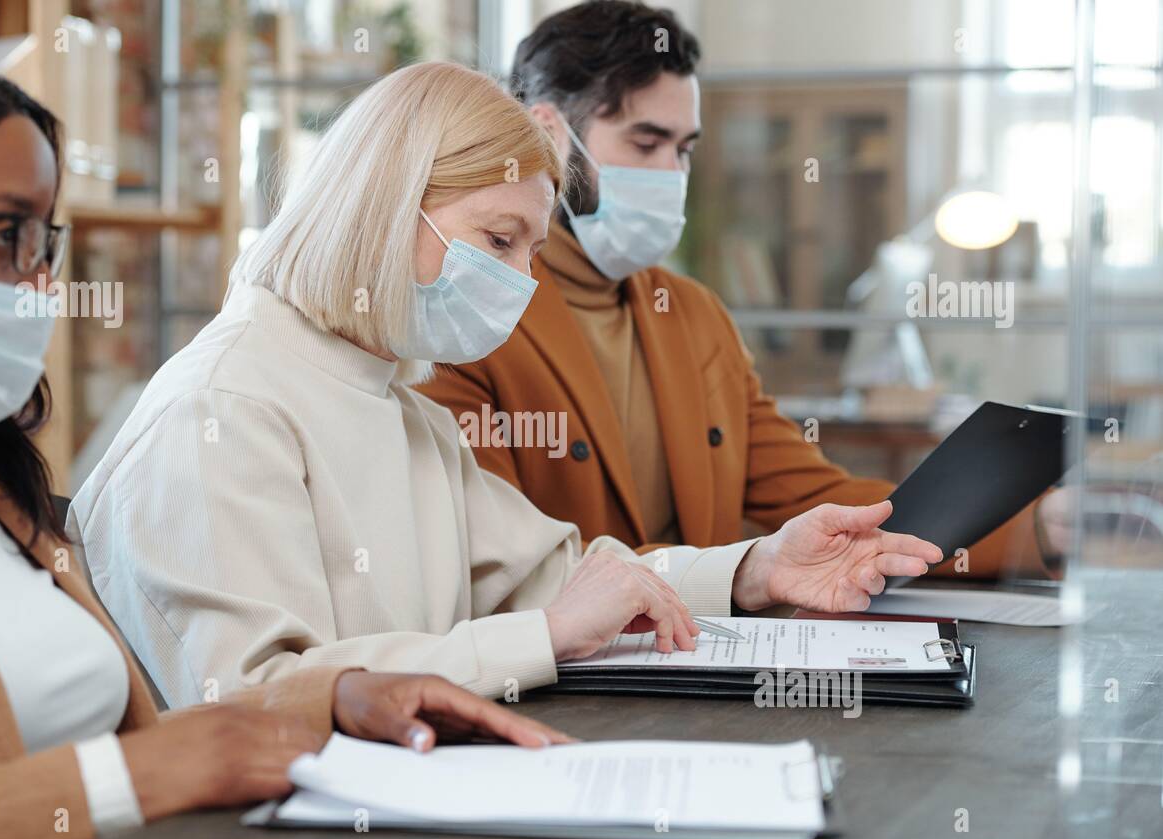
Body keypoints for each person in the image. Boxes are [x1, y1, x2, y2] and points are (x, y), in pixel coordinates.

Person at [0, 29, 569, 839]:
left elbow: (159, 730)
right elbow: (153, 747)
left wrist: (338, 695)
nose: (44, 284)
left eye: (45, 242)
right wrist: (131, 779)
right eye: (0, 233)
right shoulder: (221, 402)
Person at [71, 60, 943, 710]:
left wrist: (756, 567)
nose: (524, 285)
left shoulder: (395, 402)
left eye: (534, 250)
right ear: (384, 207)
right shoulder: (222, 407)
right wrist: (544, 639)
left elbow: (560, 574)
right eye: (498, 241)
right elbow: (250, 697)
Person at [416, 0, 1059, 576]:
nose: (672, 173)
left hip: (704, 666)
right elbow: (510, 562)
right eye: (646, 143)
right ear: (550, 135)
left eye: (685, 149)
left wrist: (1040, 526)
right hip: (566, 678)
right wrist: (750, 570)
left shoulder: (693, 315)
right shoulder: (470, 311)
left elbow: (819, 501)